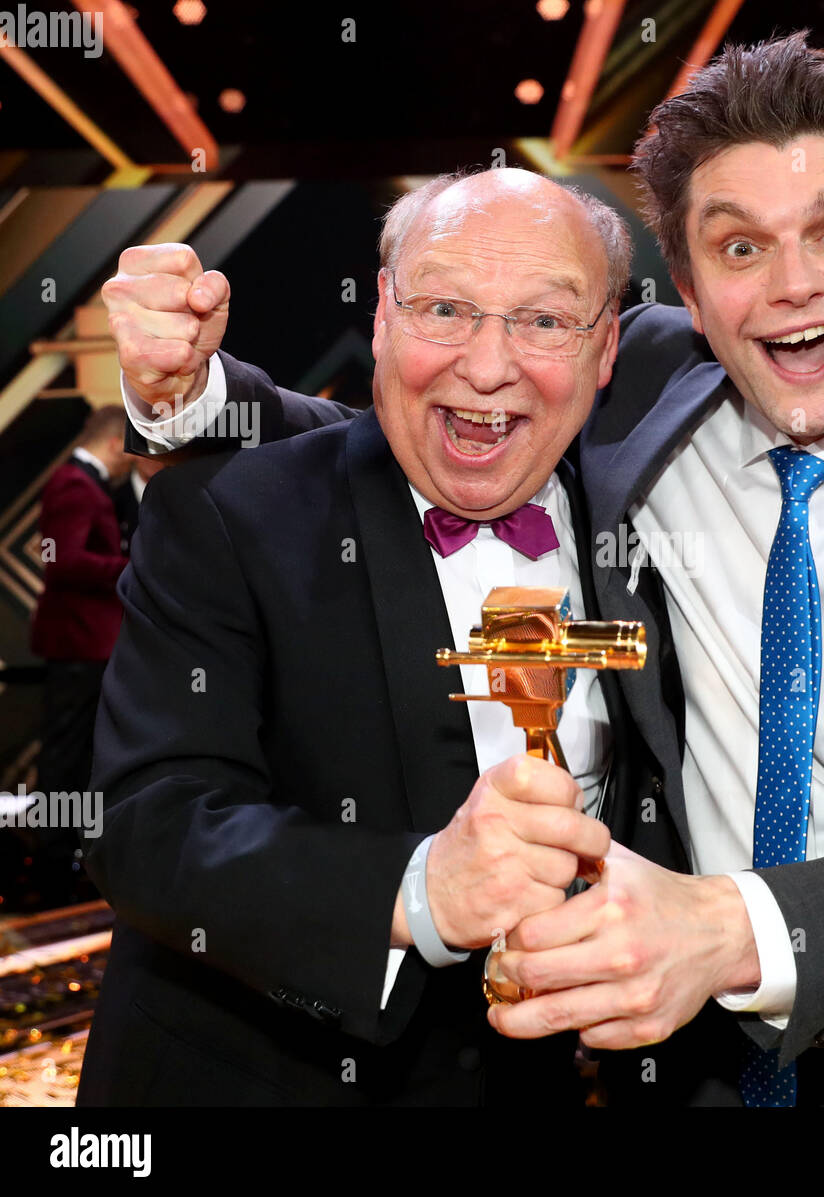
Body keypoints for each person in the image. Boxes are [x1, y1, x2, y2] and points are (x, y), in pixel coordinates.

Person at [111, 33, 824, 1107]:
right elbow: (402, 430)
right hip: (681, 1074)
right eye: (738, 247)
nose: (793, 285)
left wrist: (723, 930)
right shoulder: (659, 383)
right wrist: (193, 396)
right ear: (688, 298)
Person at [78, 169, 635, 1105]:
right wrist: (419, 891)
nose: (488, 365)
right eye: (445, 308)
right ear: (381, 315)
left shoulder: (641, 509)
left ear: (605, 345)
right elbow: (145, 828)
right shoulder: (230, 515)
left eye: (543, 320)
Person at [28, 407, 133, 905]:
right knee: (67, 754)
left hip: (85, 644)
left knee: (78, 754)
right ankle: (54, 860)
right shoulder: (74, 484)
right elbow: (63, 563)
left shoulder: (75, 483)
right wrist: (134, 566)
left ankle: (68, 854)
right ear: (115, 443)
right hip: (79, 643)